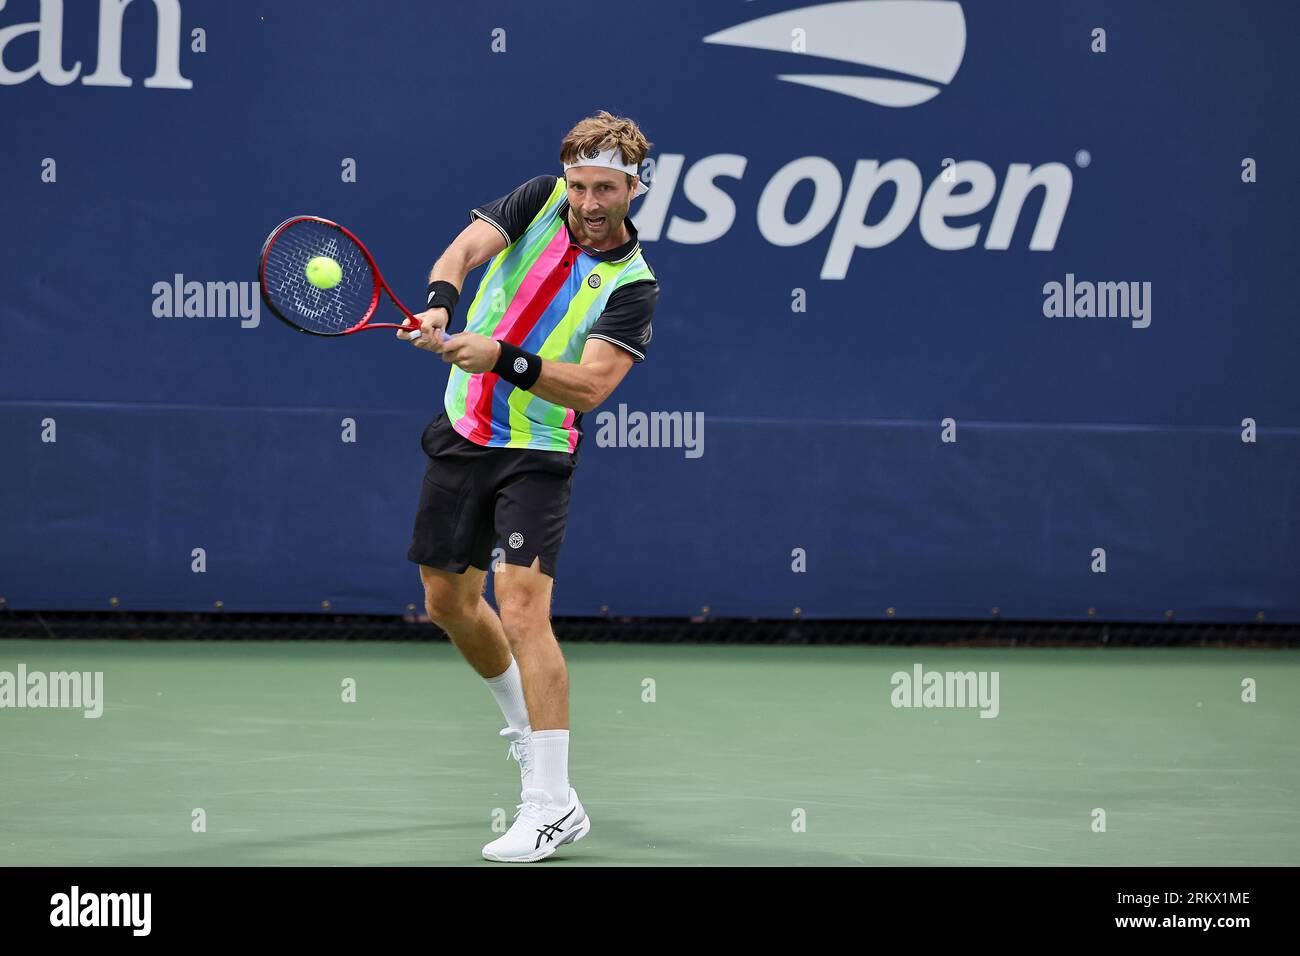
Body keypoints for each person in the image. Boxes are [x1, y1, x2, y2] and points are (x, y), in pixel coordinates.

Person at [399, 111, 659, 862]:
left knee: (520, 608)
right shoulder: (539, 199)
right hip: (463, 428)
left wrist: (502, 357)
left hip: (538, 451)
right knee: (446, 601)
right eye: (579, 184)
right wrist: (442, 303)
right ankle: (525, 730)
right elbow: (465, 248)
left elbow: (590, 388)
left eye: (604, 187)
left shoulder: (634, 285)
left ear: (633, 189)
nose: (586, 201)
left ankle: (549, 803)